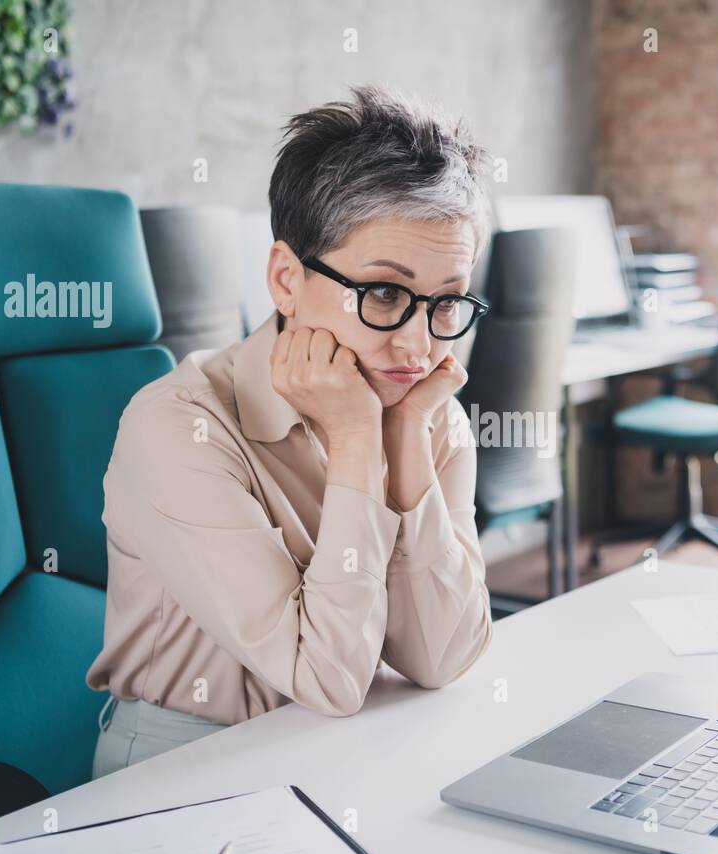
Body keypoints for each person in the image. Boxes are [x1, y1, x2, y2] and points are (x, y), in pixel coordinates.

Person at [86, 85, 494, 778]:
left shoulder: (426, 412)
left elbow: (442, 656)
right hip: (184, 763)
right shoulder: (178, 428)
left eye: (447, 301)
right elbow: (329, 677)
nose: (421, 347)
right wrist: (359, 444)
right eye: (386, 294)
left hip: (348, 750)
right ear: (285, 279)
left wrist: (402, 447)